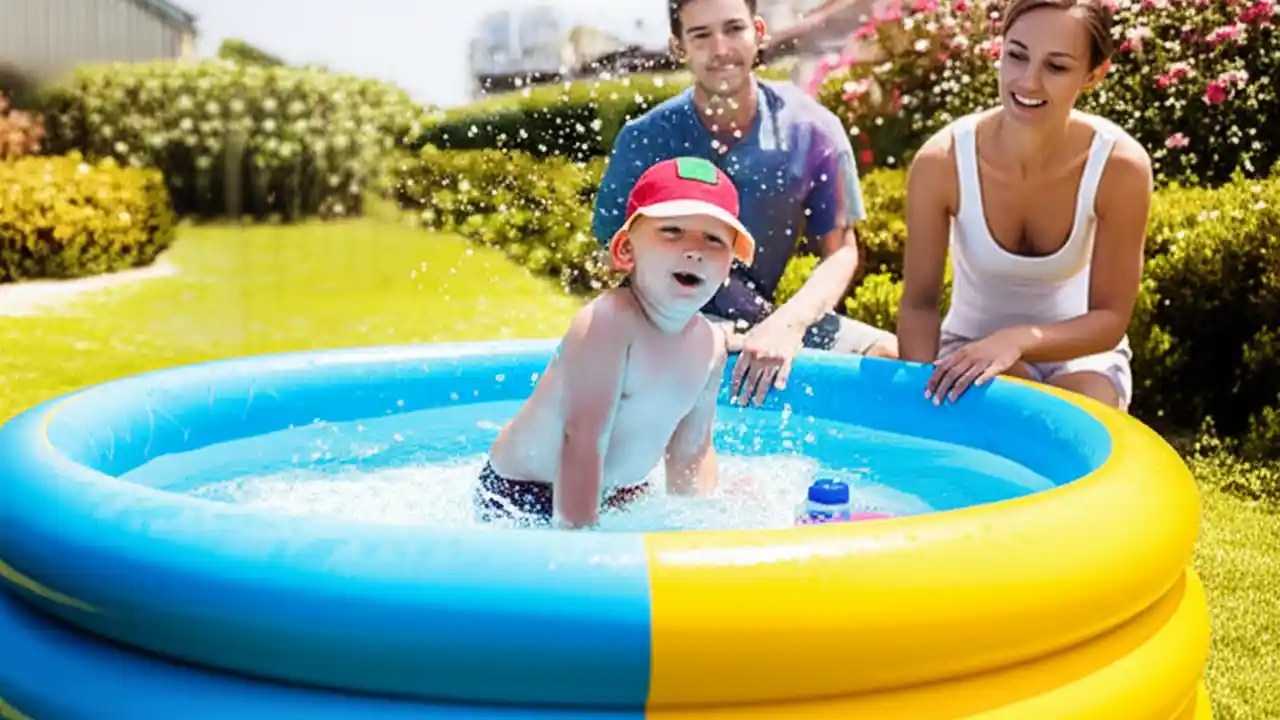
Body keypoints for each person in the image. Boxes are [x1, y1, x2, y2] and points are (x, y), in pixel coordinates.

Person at [592, 0, 897, 410]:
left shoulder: (811, 129)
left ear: (758, 31)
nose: (720, 49)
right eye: (701, 35)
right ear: (678, 47)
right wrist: (688, 326)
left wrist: (786, 324)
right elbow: (610, 256)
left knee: (888, 358)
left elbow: (841, 252)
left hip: (768, 318)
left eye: (733, 29)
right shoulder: (644, 139)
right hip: (669, 321)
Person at [896, 0, 1153, 411]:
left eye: (1056, 67)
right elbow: (919, 304)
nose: (1028, 82)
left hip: (1081, 356)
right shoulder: (942, 161)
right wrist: (917, 397)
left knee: (1078, 414)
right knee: (1002, 409)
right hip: (969, 348)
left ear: (1093, 74)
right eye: (1016, 56)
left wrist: (1018, 339)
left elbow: (1109, 318)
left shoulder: (1119, 167)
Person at [476, 156, 754, 529]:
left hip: (622, 493)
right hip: (525, 495)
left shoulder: (710, 346)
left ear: (729, 267)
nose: (694, 250)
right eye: (672, 230)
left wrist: (704, 524)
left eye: (714, 239)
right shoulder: (607, 324)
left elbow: (691, 451)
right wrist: (582, 550)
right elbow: (581, 441)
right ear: (626, 250)